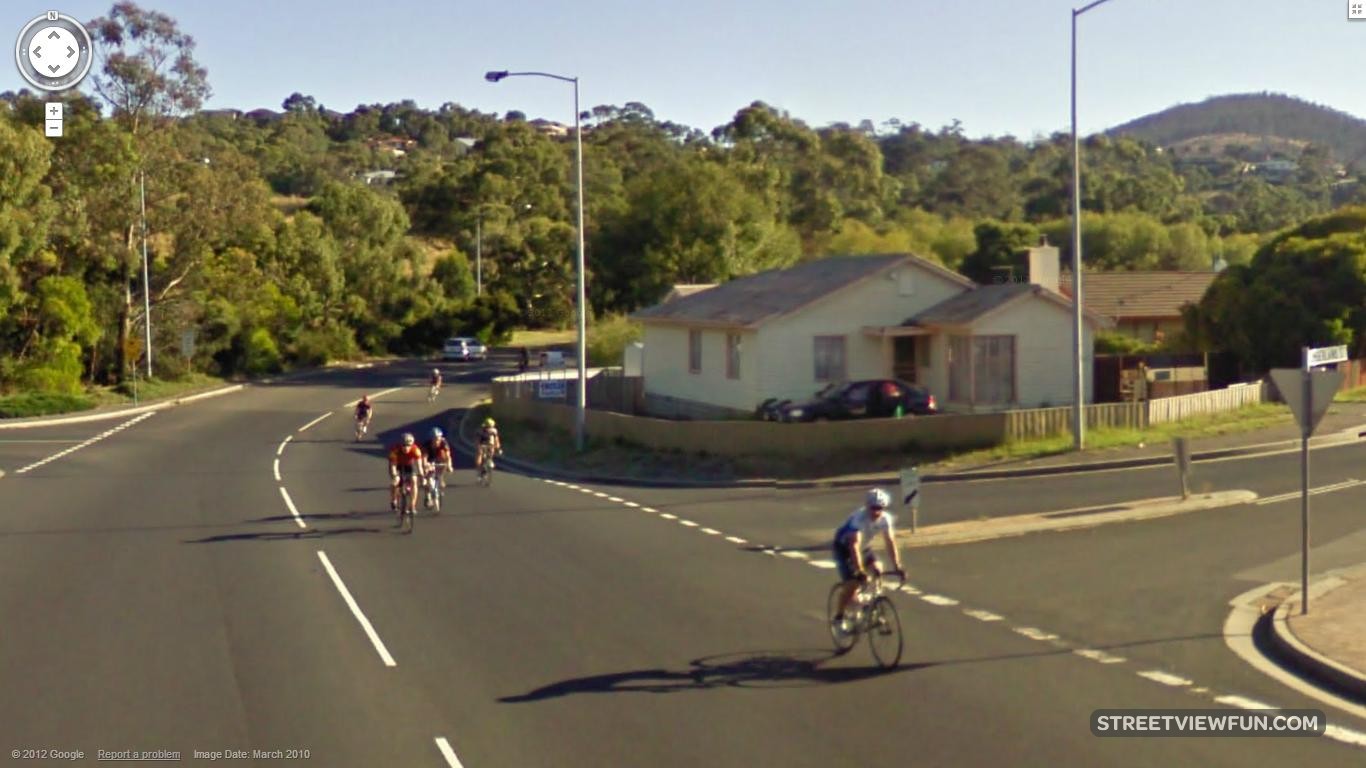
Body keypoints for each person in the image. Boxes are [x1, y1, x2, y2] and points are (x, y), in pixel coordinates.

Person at [831, 488, 906, 634]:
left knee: (878, 568)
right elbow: (854, 545)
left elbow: (890, 541)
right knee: (853, 583)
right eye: (873, 508)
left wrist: (898, 566)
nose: (876, 512)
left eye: (880, 508)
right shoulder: (858, 519)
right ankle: (839, 618)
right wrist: (859, 570)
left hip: (864, 548)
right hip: (844, 548)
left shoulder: (886, 519)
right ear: (867, 506)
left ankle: (872, 604)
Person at [387, 432, 425, 516]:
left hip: (409, 466)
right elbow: (393, 465)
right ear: (400, 445)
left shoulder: (416, 450)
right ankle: (394, 500)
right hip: (397, 465)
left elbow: (419, 466)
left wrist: (422, 477)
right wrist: (394, 475)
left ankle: (412, 506)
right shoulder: (395, 450)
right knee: (395, 482)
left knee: (414, 481)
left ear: (412, 445)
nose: (406, 448)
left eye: (408, 445)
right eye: (404, 445)